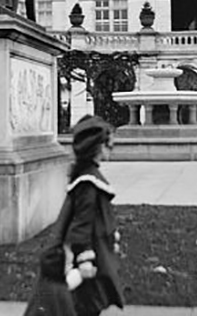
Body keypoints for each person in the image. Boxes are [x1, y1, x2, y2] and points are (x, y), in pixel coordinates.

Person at [65, 115, 124, 316]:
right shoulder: (88, 182)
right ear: (98, 147)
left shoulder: (89, 176)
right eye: (109, 145)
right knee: (88, 304)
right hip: (93, 256)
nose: (111, 149)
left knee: (92, 303)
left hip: (99, 251)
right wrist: (84, 261)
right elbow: (81, 224)